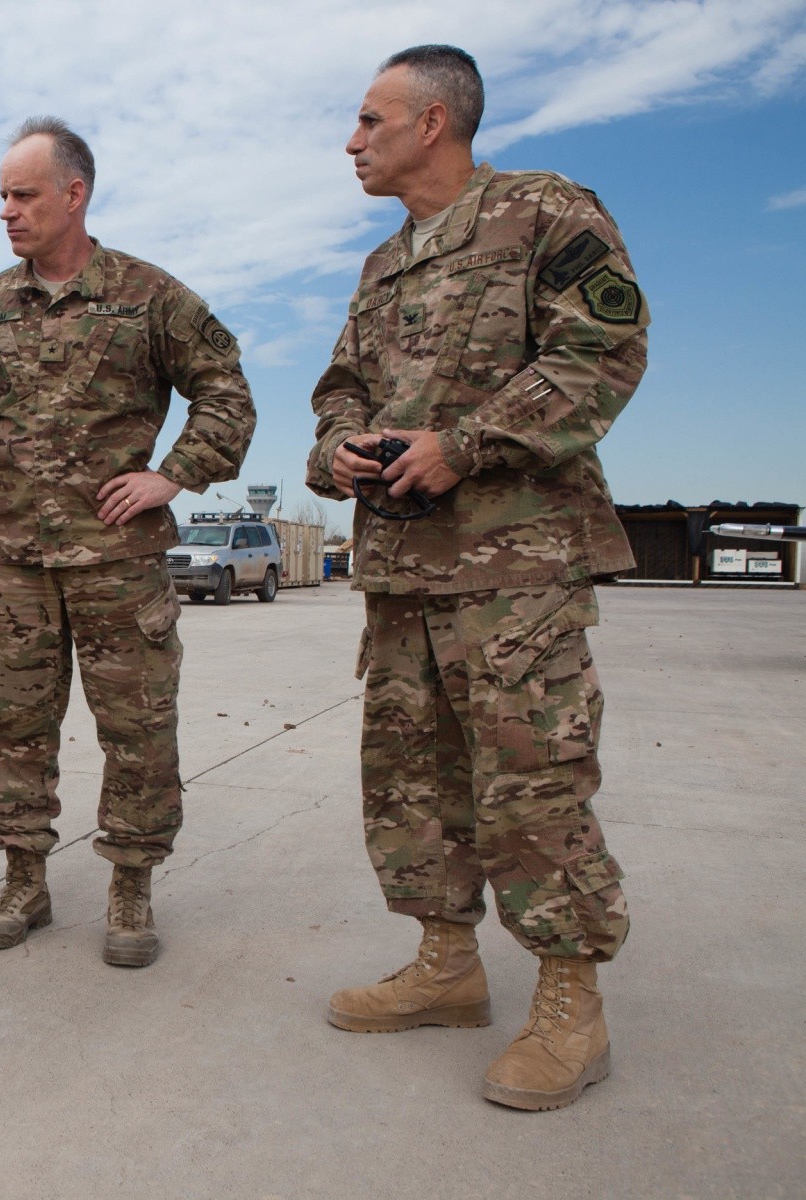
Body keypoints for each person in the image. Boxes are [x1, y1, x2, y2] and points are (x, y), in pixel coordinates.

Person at [306, 45, 645, 1111]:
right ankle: (447, 967)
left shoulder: (544, 212)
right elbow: (335, 391)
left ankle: (571, 1007)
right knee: (414, 784)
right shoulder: (381, 266)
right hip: (404, 574)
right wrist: (339, 450)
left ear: (434, 122)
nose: (352, 141)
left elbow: (603, 352)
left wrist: (468, 442)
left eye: (370, 120)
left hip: (518, 570)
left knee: (531, 787)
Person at [0, 117, 255, 967]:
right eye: (3, 197)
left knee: (137, 726)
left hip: (118, 562)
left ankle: (131, 885)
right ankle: (25, 878)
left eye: (23, 195)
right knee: (11, 726)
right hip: (13, 561)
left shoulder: (150, 296)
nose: (8, 213)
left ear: (74, 194)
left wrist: (175, 473)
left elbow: (226, 394)